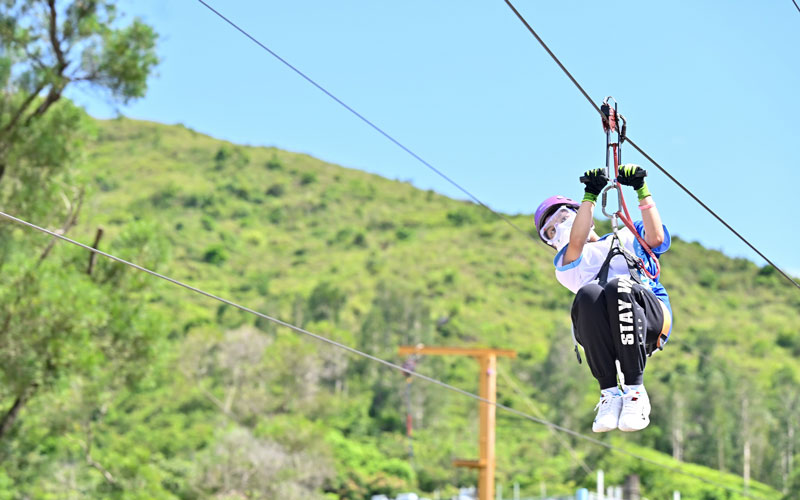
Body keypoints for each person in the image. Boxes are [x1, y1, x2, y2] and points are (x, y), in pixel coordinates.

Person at [534, 165, 673, 433]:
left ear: (580, 216)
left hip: (649, 317)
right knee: (589, 294)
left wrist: (641, 190)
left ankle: (634, 389)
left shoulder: (627, 237)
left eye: (563, 218)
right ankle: (610, 392)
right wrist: (590, 195)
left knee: (618, 285)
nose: (560, 228)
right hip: (608, 332)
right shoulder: (569, 265)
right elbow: (575, 242)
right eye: (551, 231)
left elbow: (655, 238)